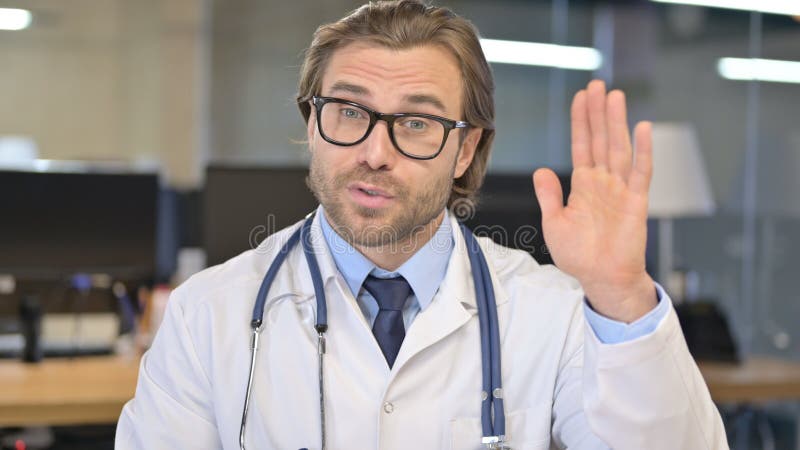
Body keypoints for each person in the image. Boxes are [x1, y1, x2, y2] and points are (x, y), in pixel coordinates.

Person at [116, 1, 728, 449]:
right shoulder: (208, 315)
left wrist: (620, 294)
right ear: (311, 125)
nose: (374, 152)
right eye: (349, 111)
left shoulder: (555, 312)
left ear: (465, 151)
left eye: (416, 122)